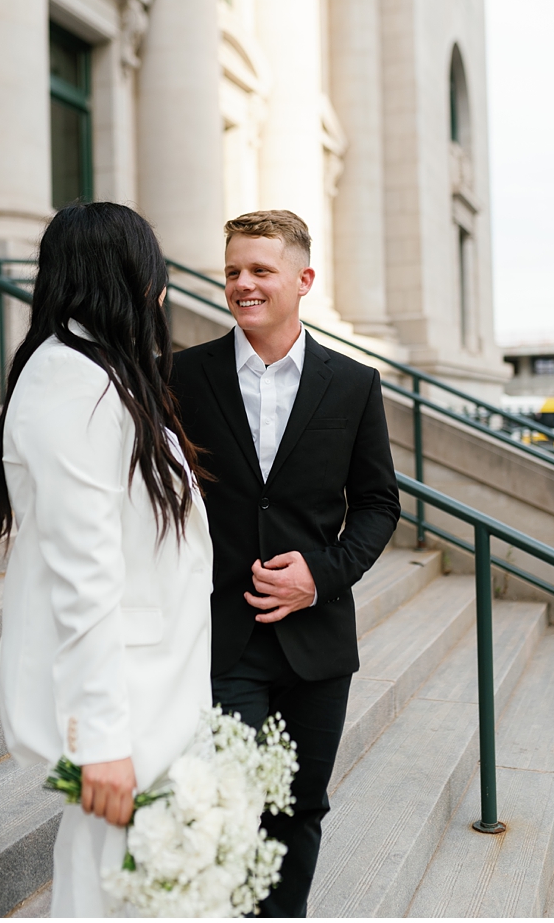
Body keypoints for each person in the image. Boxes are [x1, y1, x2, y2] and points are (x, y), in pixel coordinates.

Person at [169, 209, 400, 917]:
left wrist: (321, 575)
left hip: (317, 641)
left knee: (298, 810)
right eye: (233, 269)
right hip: (221, 636)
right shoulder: (177, 375)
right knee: (227, 811)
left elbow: (377, 502)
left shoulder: (353, 384)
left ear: (302, 280)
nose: (242, 283)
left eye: (260, 270)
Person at [0, 203, 215, 917]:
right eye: (156, 275)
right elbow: (81, 575)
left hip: (158, 701)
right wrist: (101, 741)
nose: (164, 294)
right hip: (125, 719)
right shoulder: (69, 382)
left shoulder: (103, 374)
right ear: (123, 279)